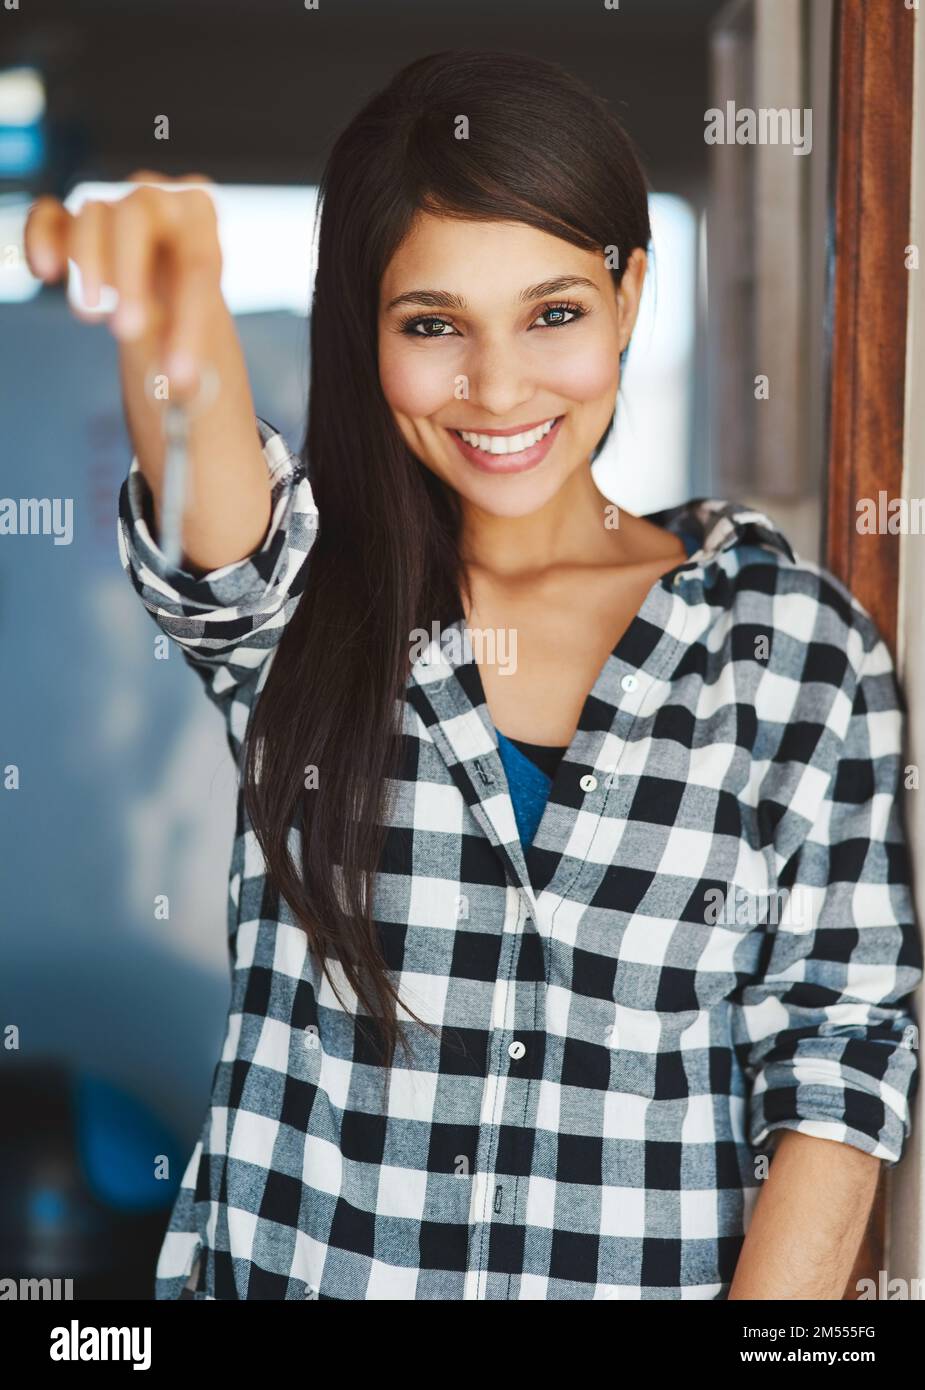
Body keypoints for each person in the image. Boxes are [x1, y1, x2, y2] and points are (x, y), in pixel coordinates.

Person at [26, 49, 922, 1301]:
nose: (497, 387)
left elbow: (837, 1057)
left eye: (552, 312)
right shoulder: (315, 603)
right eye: (432, 324)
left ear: (630, 292)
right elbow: (216, 537)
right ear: (369, 330)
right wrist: (179, 327)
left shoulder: (793, 651)